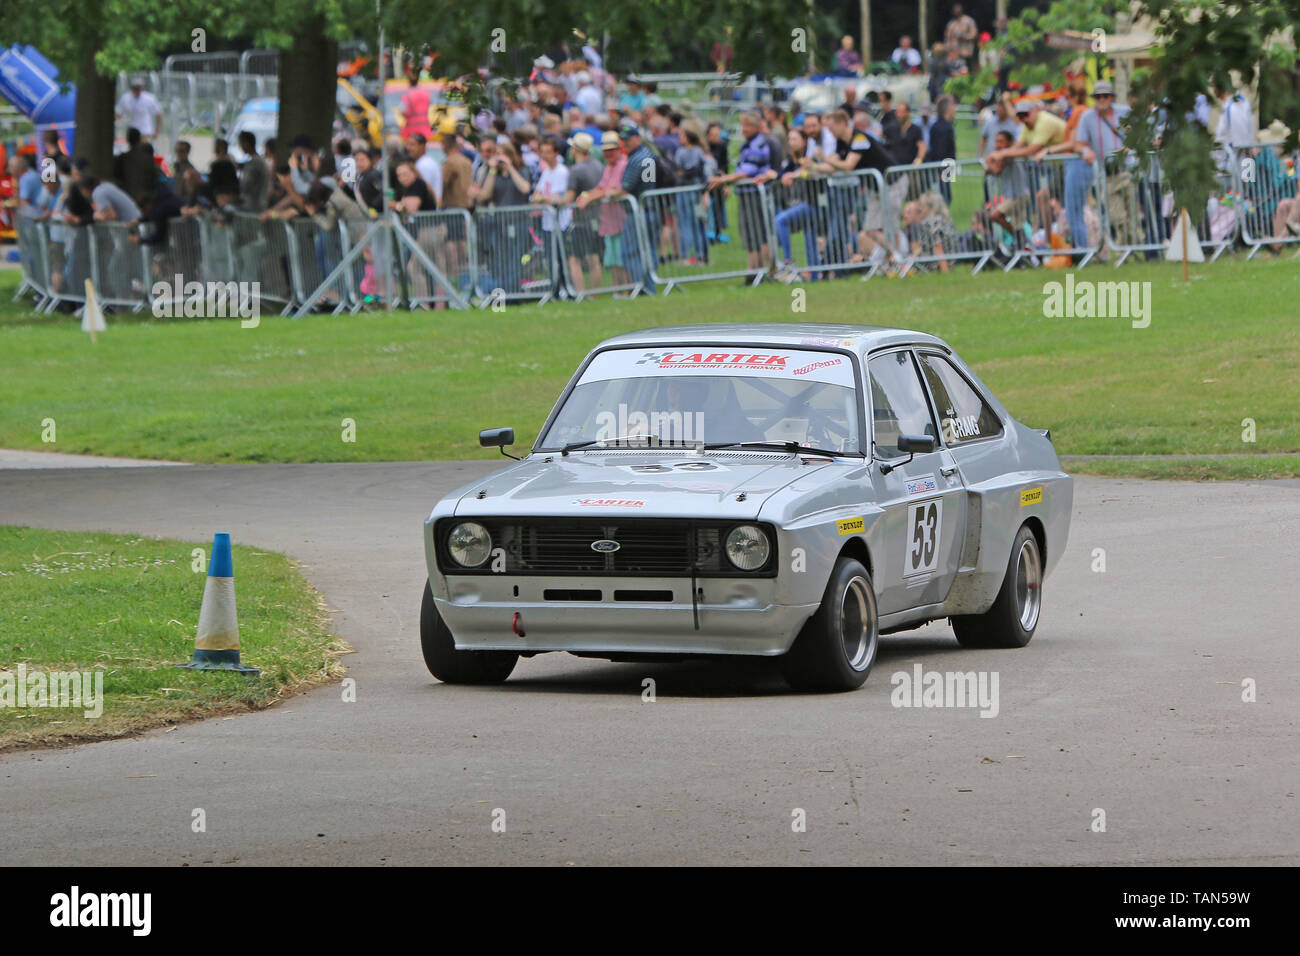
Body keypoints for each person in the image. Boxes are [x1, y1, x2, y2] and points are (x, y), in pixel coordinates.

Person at [708, 111, 773, 282]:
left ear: (757, 127)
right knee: (753, 236)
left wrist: (723, 180)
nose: (743, 129)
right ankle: (756, 273)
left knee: (756, 236)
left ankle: (759, 274)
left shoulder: (757, 146)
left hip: (754, 196)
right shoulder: (750, 143)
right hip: (748, 195)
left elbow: (746, 172)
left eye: (747, 125)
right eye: (742, 125)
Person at [978, 93, 1021, 158]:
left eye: (1001, 106)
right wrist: (979, 156)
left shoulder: (1015, 124)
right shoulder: (990, 122)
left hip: (1009, 159)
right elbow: (983, 138)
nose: (998, 109)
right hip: (991, 158)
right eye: (997, 106)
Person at [236, 131, 269, 214]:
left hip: (253, 206)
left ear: (247, 143)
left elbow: (246, 184)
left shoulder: (255, 163)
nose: (240, 147)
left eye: (241, 143)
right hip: (257, 204)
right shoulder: (259, 161)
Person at [400, 77, 434, 142]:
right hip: (424, 128)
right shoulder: (426, 94)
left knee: (413, 149)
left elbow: (404, 111)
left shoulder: (407, 95)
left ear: (409, 83)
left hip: (411, 130)